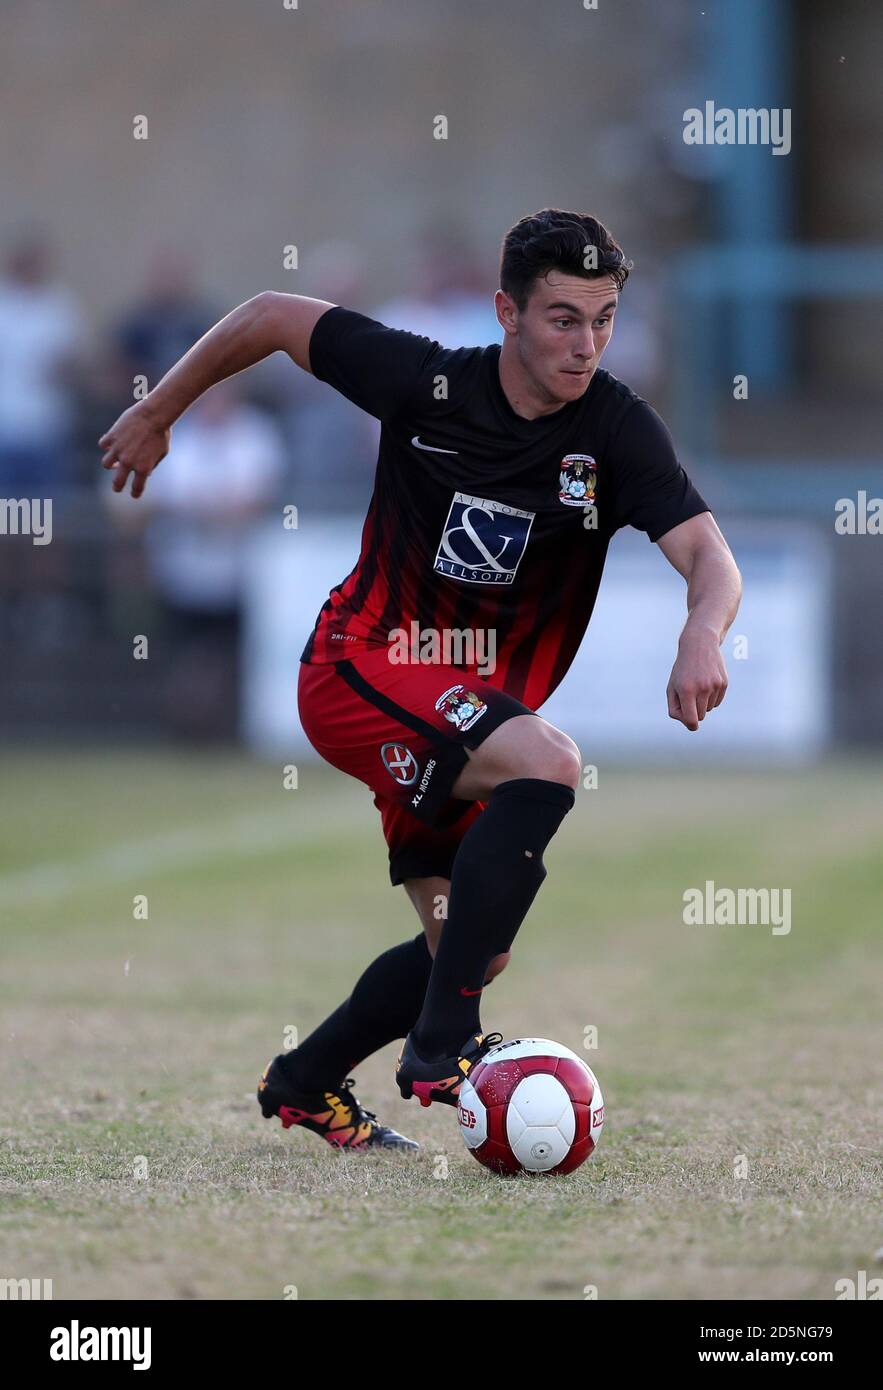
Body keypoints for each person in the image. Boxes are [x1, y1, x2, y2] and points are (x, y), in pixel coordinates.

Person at [98, 208, 742, 1153]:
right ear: (506, 313)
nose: (586, 344)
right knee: (548, 763)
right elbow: (275, 314)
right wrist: (159, 412)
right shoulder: (428, 381)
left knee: (468, 944)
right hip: (361, 666)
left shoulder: (615, 427)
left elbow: (706, 552)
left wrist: (702, 630)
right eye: (563, 318)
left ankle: (306, 1080)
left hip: (460, 717)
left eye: (603, 319)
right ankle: (443, 1053)